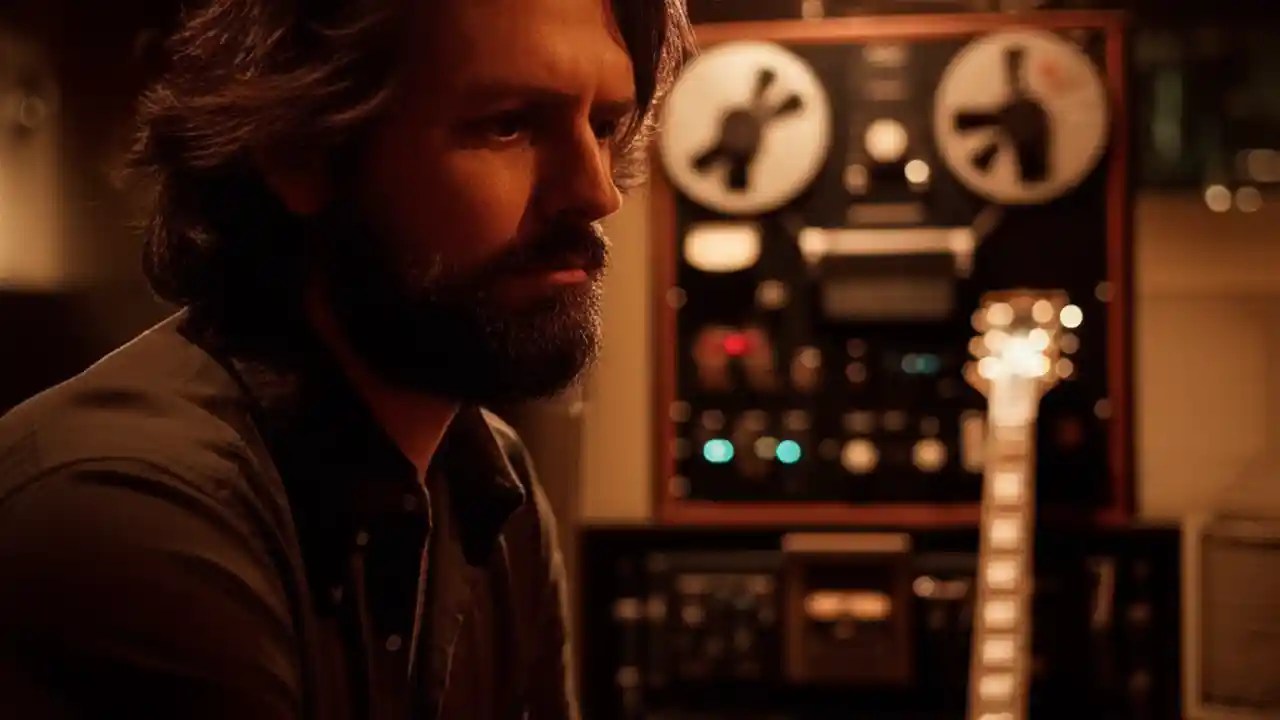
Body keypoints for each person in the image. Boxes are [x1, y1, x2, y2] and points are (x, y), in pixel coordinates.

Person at [0, 0, 693, 717]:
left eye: (603, 126)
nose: (596, 191)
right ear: (299, 150)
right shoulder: (127, 513)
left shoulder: (490, 490)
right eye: (508, 124)